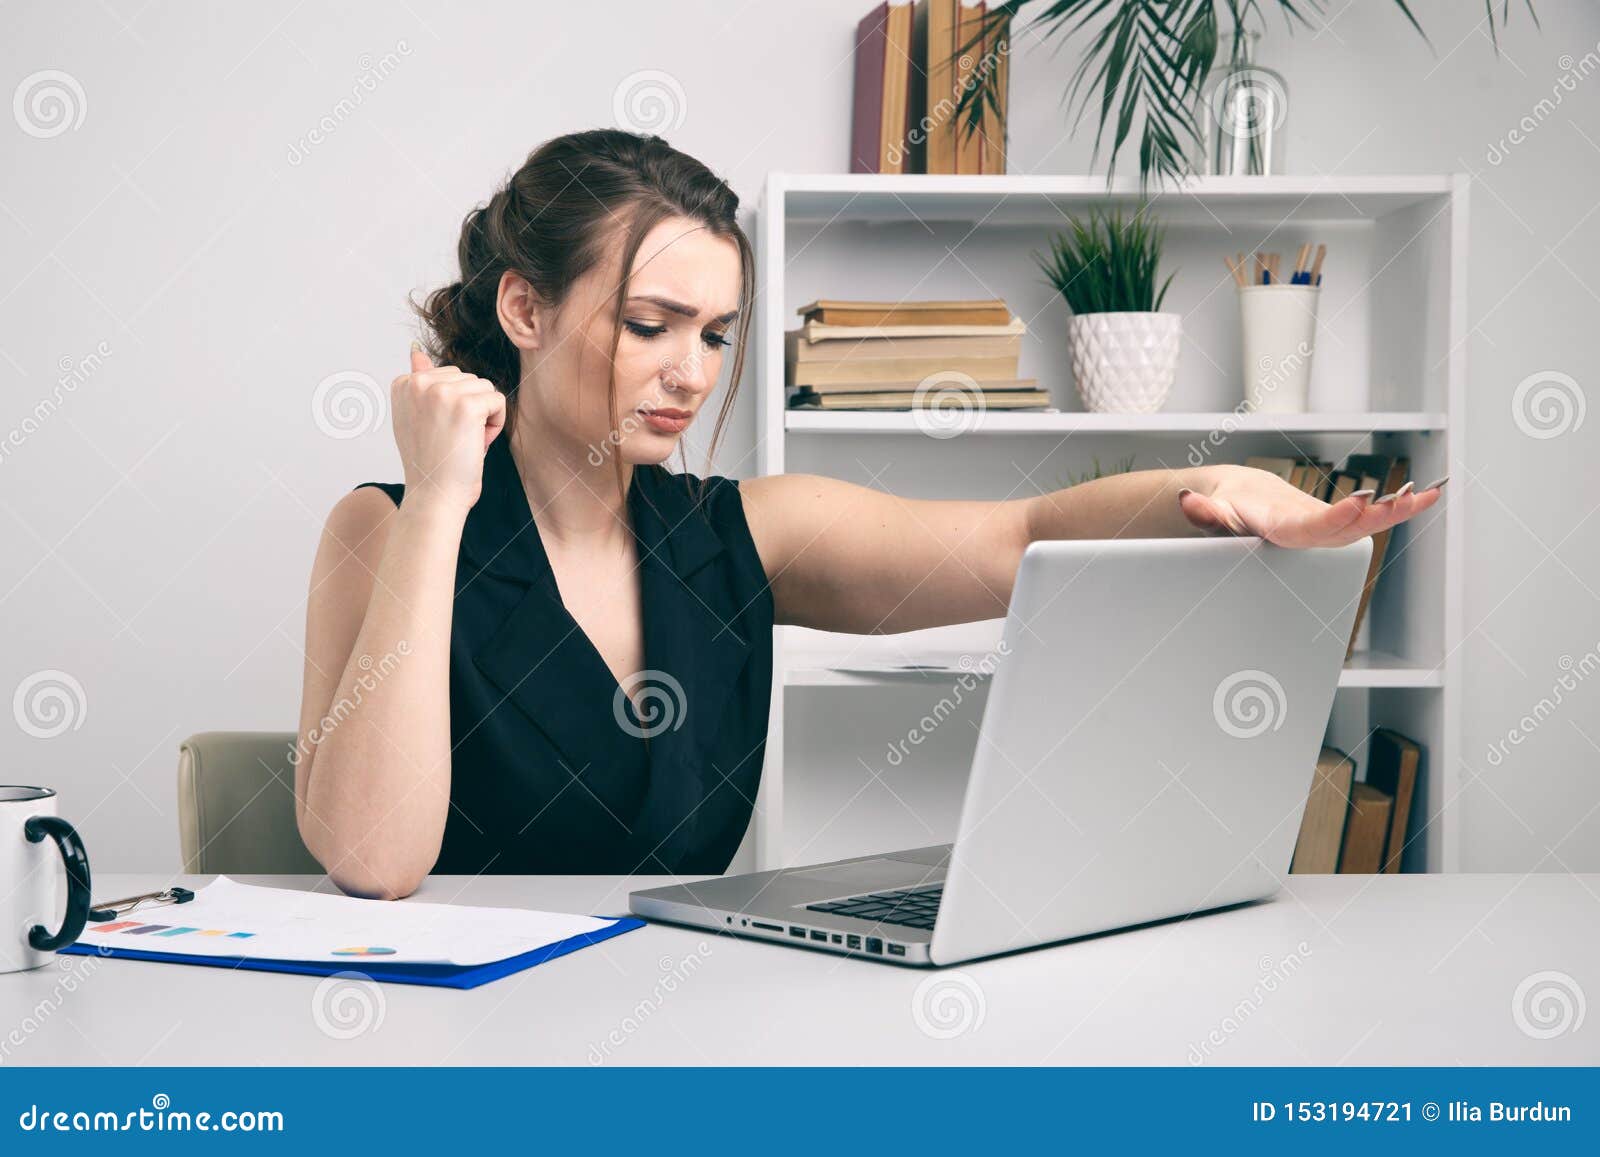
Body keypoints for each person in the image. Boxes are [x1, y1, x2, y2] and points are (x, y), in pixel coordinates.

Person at [293, 129, 1444, 899]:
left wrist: (1231, 491)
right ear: (525, 309)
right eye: (651, 323)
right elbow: (378, 858)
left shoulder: (743, 533)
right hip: (446, 1048)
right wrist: (443, 495)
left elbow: (1019, 533)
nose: (691, 373)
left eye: (715, 333)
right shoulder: (386, 528)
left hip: (682, 1030)